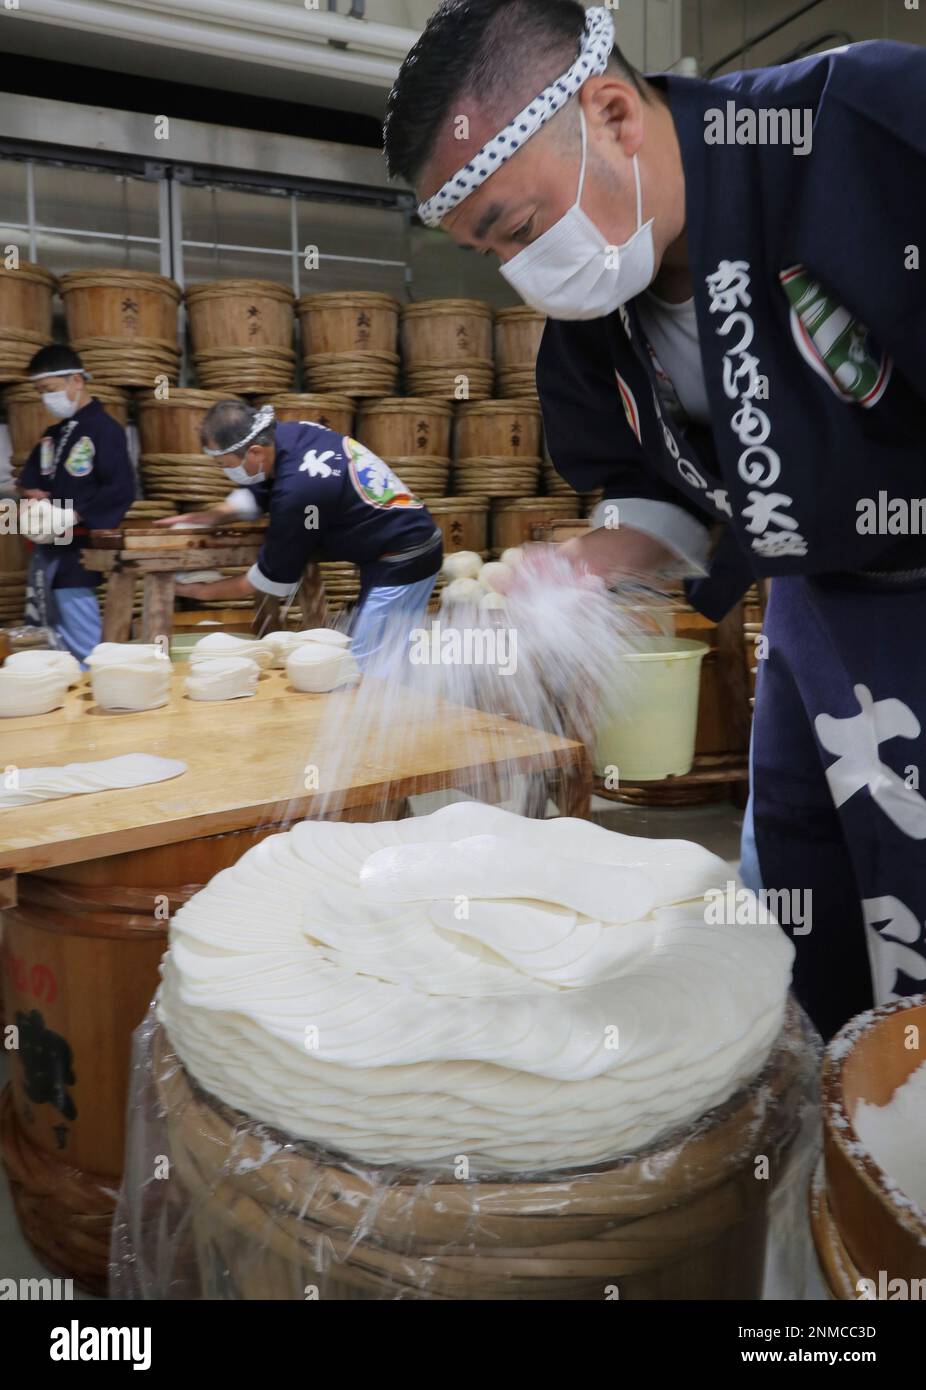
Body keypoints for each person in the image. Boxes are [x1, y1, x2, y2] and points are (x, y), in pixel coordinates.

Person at [384, 0, 926, 1039]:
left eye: (519, 228)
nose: (521, 270)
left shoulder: (856, 129)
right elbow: (667, 503)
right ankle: (825, 1145)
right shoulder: (593, 326)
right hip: (812, 619)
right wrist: (571, 573)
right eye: (487, 253)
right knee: (797, 915)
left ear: (612, 113)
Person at [161, 401, 443, 671]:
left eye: (224, 464)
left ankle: (405, 712)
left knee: (369, 667)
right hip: (390, 548)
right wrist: (217, 515)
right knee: (381, 656)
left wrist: (200, 591)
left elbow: (271, 578)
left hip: (406, 555)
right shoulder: (290, 433)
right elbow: (269, 483)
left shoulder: (300, 494)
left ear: (256, 452)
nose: (224, 472)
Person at [16, 345, 134, 663]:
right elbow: (30, 482)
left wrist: (73, 514)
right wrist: (32, 501)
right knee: (52, 636)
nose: (45, 398)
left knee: (82, 639)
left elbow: (121, 489)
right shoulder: (51, 435)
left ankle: (94, 685)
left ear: (77, 381)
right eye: (40, 392)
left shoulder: (104, 429)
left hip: (78, 548)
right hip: (47, 547)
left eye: (49, 390)